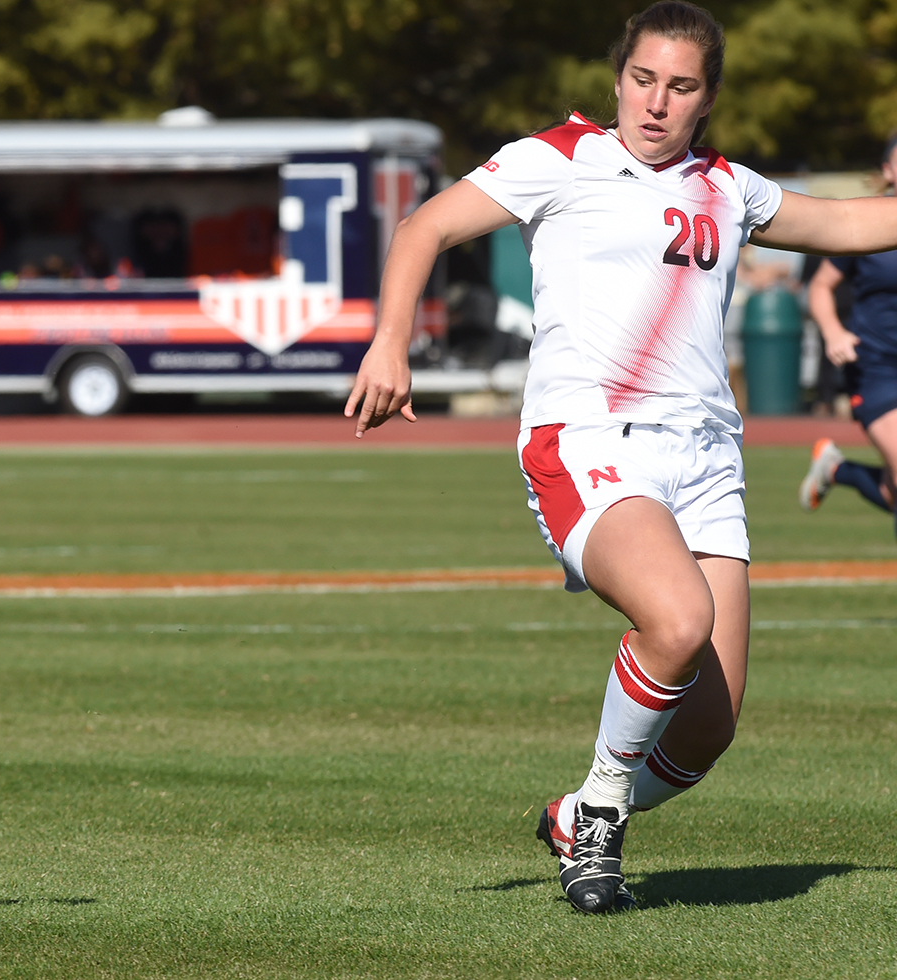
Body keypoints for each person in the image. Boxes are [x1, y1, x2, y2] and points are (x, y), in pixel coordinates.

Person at [345, 1, 897, 914]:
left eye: (680, 87)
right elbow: (422, 230)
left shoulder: (730, 186)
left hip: (708, 458)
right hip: (589, 440)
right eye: (643, 79)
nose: (656, 102)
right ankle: (599, 817)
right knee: (675, 621)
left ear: (707, 97)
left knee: (709, 730)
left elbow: (842, 223)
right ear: (618, 80)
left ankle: (579, 810)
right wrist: (389, 341)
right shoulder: (558, 157)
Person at [799, 132, 897, 538]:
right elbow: (820, 287)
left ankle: (838, 468)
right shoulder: (865, 225)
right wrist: (834, 331)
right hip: (875, 367)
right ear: (888, 171)